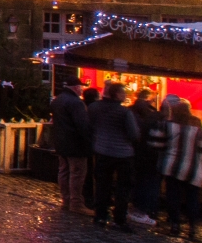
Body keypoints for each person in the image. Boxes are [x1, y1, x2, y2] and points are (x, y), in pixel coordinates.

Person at [159, 94, 202, 240]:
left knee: (173, 197)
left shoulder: (168, 124)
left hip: (172, 167)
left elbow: (158, 143)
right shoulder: (196, 124)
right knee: (192, 199)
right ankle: (193, 228)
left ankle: (175, 225)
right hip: (193, 169)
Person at [88, 81, 138, 230]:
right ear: (117, 94)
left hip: (102, 150)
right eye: (123, 93)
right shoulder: (124, 112)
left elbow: (90, 126)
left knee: (102, 185)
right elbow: (134, 134)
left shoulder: (94, 107)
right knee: (123, 188)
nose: (125, 95)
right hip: (123, 153)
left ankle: (100, 216)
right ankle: (119, 219)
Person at [49, 78, 93, 214]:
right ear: (76, 87)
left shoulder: (58, 100)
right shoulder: (76, 103)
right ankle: (76, 203)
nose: (82, 89)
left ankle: (66, 200)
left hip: (61, 143)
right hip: (76, 144)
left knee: (64, 171)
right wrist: (90, 141)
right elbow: (82, 125)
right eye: (81, 87)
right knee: (77, 173)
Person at [128, 87, 164, 227]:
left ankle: (137, 208)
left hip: (137, 154)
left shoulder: (130, 111)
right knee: (150, 183)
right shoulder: (153, 117)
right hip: (150, 157)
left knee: (139, 182)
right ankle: (147, 210)